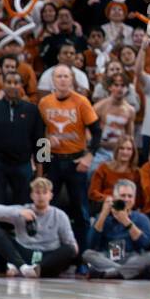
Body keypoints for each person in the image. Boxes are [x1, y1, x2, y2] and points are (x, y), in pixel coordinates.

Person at [38, 64, 100, 245]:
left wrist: (89, 157)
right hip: (53, 161)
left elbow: (97, 132)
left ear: (72, 80)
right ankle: (46, 249)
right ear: (53, 80)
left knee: (81, 211)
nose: (63, 79)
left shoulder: (81, 102)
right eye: (59, 76)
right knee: (46, 208)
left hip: (76, 161)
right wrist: (46, 143)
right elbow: (38, 134)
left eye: (66, 76)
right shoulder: (44, 103)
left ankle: (82, 257)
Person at [0, 177, 77, 277]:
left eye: (44, 192)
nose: (41, 196)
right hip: (25, 254)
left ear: (50, 195)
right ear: (32, 195)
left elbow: (71, 244)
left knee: (69, 249)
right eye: (37, 192)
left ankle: (35, 270)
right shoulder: (23, 210)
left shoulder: (60, 215)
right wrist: (18, 212)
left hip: (48, 255)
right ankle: (23, 267)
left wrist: (72, 249)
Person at [82, 178, 150, 279]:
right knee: (88, 254)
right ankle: (126, 273)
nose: (126, 199)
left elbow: (146, 244)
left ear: (134, 199)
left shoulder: (141, 218)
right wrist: (103, 214)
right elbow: (91, 244)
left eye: (130, 196)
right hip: (108, 257)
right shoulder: (104, 217)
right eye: (123, 196)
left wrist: (127, 222)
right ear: (114, 198)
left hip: (131, 257)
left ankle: (111, 273)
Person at [0, 67, 43, 204]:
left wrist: (40, 173)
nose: (12, 85)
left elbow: (41, 141)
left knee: (23, 203)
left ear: (21, 85)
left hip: (23, 164)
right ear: (3, 84)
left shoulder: (32, 110)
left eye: (16, 82)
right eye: (8, 82)